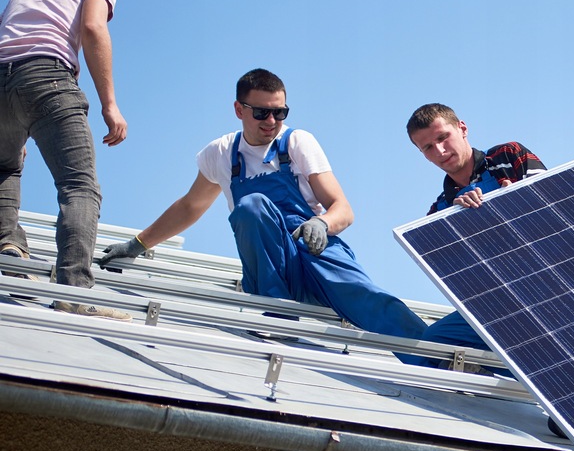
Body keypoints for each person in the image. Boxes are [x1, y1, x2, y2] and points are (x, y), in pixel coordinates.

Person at [99, 69, 427, 358]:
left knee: (373, 303)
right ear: (239, 109)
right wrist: (138, 244)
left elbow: (343, 209)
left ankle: (441, 358)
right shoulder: (222, 154)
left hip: (316, 253)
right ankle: (277, 318)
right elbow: (191, 206)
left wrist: (321, 223)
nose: (271, 122)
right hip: (271, 267)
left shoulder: (296, 142)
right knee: (251, 206)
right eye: (261, 113)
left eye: (279, 112)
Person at [0, 0, 130, 320]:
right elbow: (93, 29)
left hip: (4, 81)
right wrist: (110, 104)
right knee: (79, 185)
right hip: (49, 76)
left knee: (5, 166)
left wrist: (11, 120)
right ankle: (74, 290)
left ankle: (8, 246)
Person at [405, 103, 546, 372]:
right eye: (428, 148)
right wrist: (463, 222)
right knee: (433, 345)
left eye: (442, 137)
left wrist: (507, 202)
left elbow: (554, 212)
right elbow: (460, 279)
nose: (440, 151)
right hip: (497, 305)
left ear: (463, 128)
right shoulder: (439, 212)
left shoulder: (508, 156)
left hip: (549, 283)